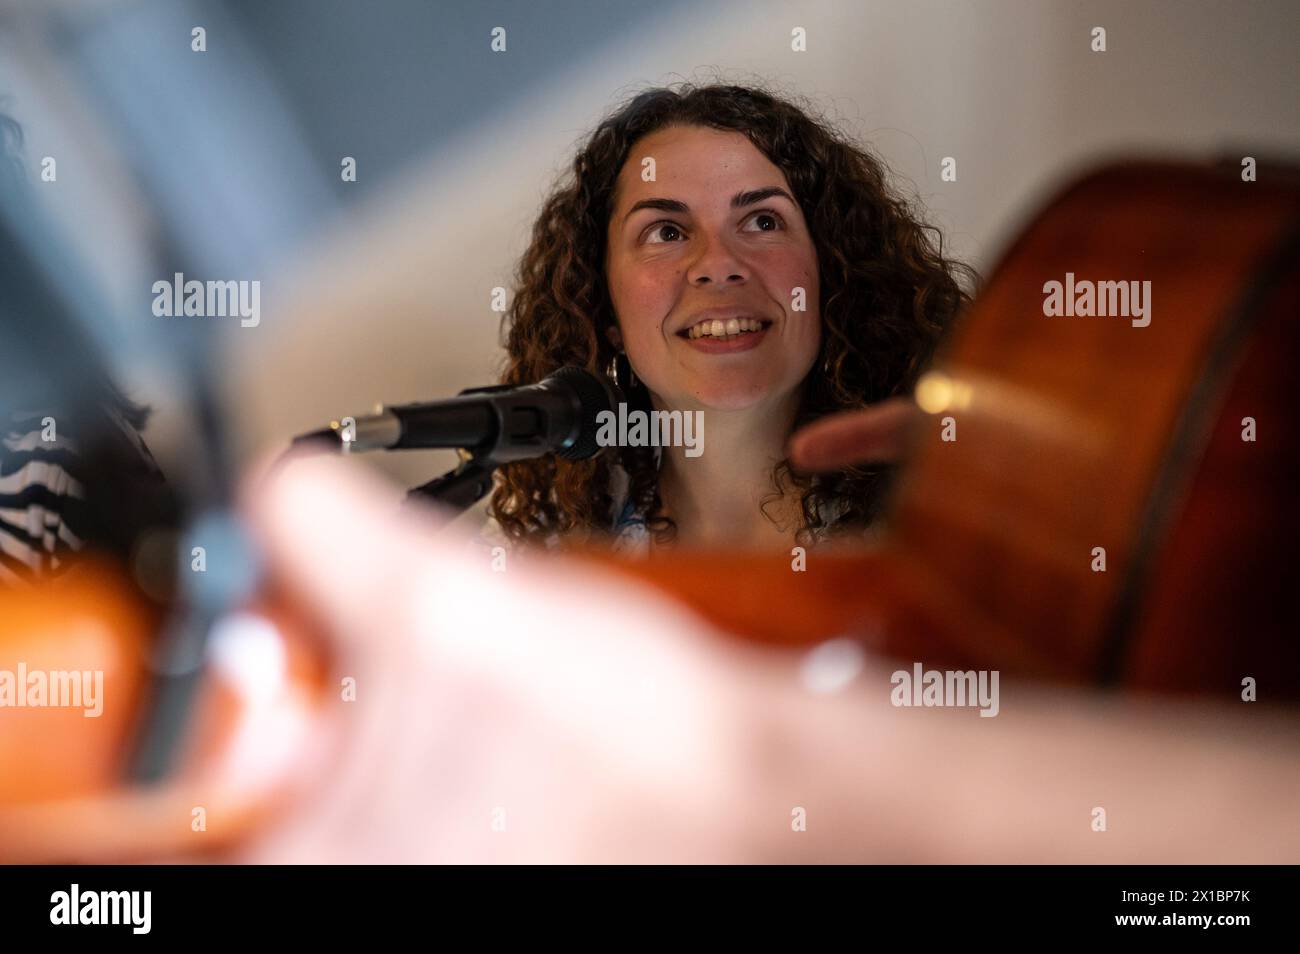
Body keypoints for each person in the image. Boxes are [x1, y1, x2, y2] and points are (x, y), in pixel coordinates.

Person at [486, 83, 976, 554]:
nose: (718, 264)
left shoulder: (955, 512)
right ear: (603, 305)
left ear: (833, 272)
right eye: (666, 232)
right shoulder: (538, 542)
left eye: (763, 221)